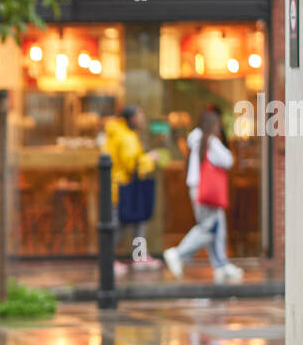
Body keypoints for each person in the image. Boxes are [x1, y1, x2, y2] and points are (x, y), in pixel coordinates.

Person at [163, 108, 244, 282]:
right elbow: (228, 160)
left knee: (217, 227)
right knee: (208, 228)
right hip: (207, 190)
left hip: (197, 188)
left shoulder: (195, 139)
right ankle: (178, 253)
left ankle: (221, 265)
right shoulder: (210, 141)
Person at [103, 105, 160, 274]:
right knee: (119, 225)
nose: (142, 118)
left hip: (123, 187)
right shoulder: (126, 137)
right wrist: (150, 159)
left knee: (137, 222)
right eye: (139, 115)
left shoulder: (120, 134)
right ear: (132, 118)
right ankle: (110, 260)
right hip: (124, 187)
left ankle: (138, 256)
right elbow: (132, 164)